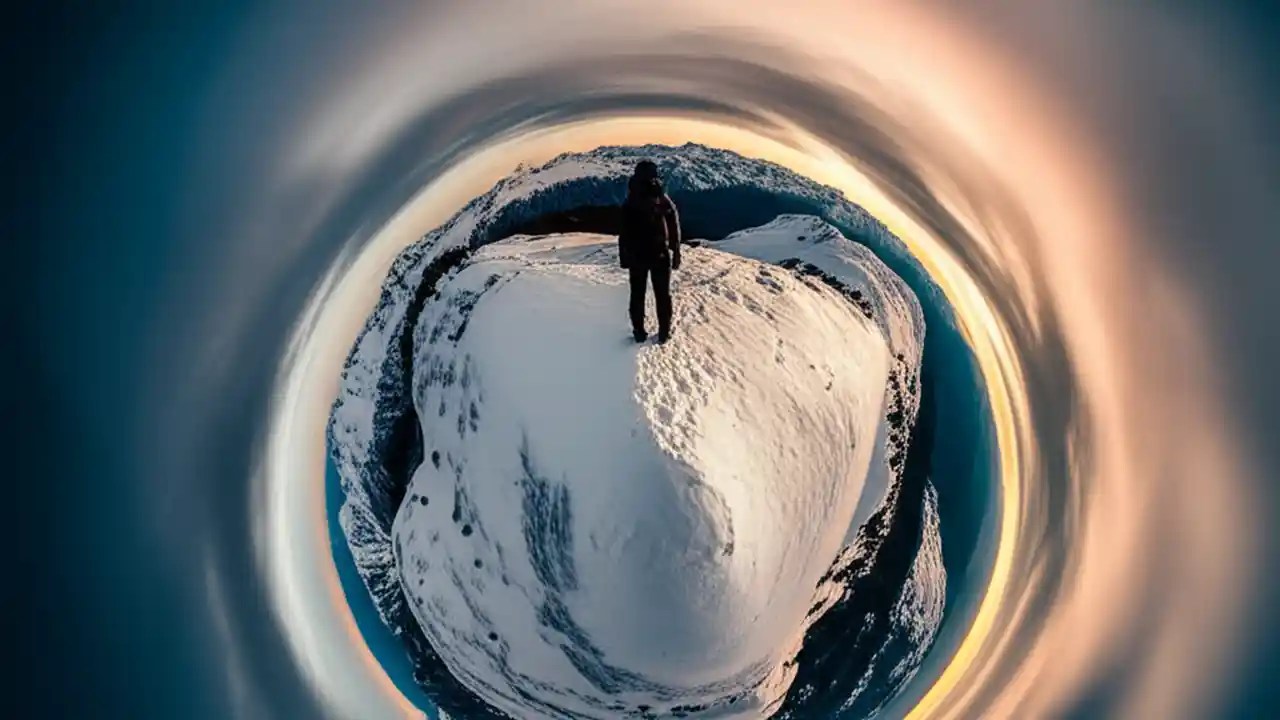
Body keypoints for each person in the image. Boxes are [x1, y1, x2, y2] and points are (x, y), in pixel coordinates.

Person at [618, 160, 681, 343]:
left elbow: (624, 230)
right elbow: (673, 221)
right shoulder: (660, 195)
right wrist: (675, 249)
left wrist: (624, 258)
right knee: (662, 294)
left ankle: (639, 332)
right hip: (659, 253)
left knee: (637, 294)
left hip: (636, 255)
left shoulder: (630, 198)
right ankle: (664, 333)